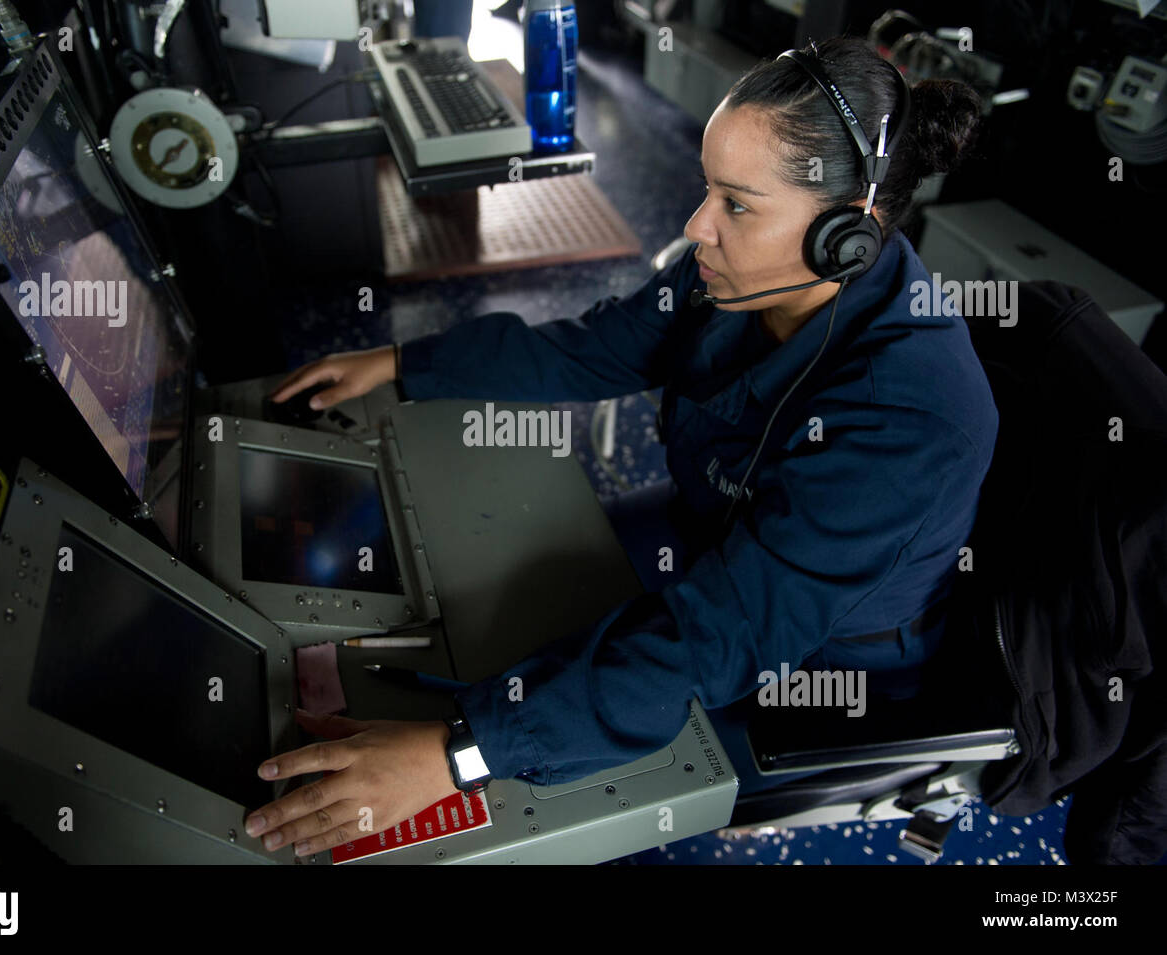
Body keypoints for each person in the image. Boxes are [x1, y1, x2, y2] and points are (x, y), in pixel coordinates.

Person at [242, 36, 997, 858]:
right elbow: (594, 348)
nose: (696, 226)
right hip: (705, 532)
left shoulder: (909, 417)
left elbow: (720, 636)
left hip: (820, 652)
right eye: (710, 190)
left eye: (738, 205)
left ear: (846, 237)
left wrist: (456, 754)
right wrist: (403, 363)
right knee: (496, 611)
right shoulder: (738, 275)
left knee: (559, 772)